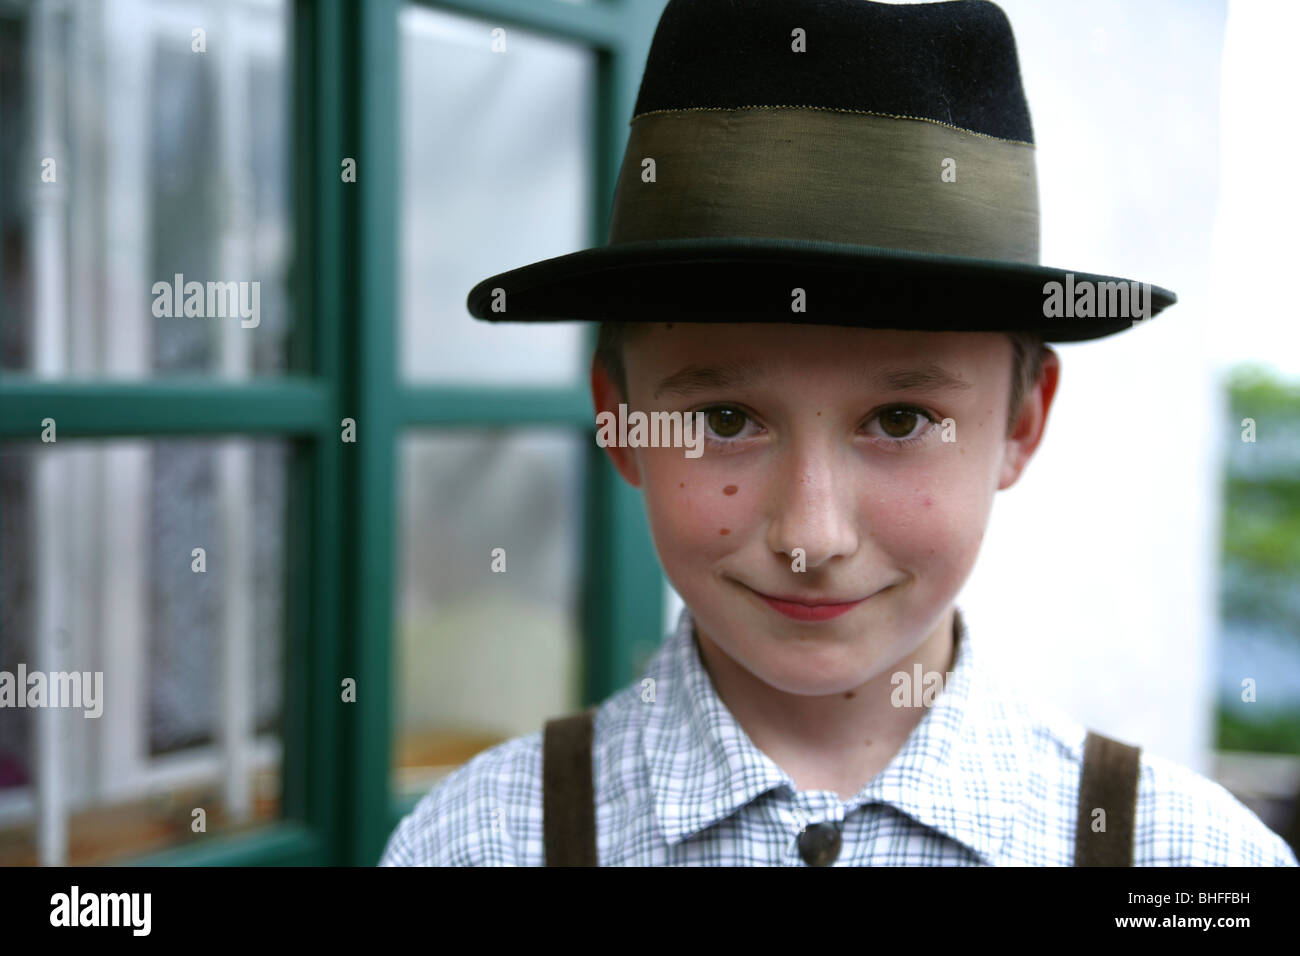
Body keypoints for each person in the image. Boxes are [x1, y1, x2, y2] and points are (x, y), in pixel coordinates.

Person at [380, 0, 1298, 866]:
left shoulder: (1189, 858)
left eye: (900, 419)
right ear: (620, 421)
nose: (812, 537)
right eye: (725, 419)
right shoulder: (477, 844)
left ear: (1022, 422)